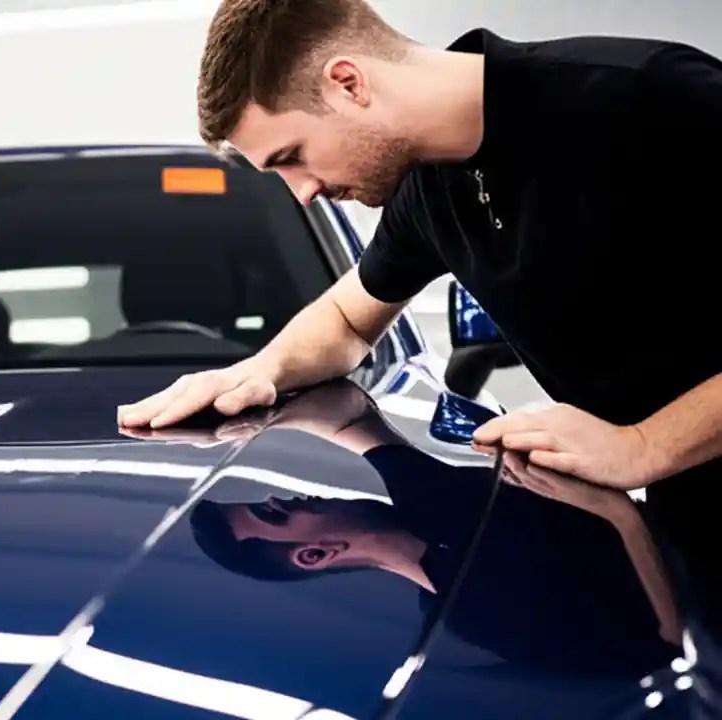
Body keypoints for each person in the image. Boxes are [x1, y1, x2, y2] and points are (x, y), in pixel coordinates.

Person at [115, 0, 722, 497]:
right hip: (679, 514)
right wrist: (253, 373)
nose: (302, 193)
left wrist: (646, 445)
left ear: (349, 83)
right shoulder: (429, 188)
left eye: (292, 156)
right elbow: (347, 319)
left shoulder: (649, 98)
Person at [126, 380, 684, 678]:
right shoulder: (476, 610)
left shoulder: (442, 521)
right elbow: (662, 649)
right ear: (315, 556)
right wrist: (622, 516)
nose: (283, 494)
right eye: (275, 514)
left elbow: (356, 415)